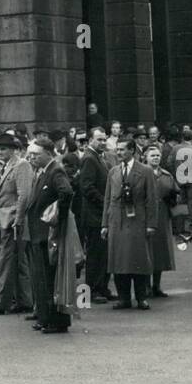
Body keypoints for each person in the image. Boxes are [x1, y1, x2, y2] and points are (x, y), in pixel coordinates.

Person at [23, 134, 74, 334]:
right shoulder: (44, 170)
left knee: (50, 278)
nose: (31, 158)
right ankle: (45, 317)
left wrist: (56, 218)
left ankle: (56, 321)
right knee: (42, 278)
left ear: (47, 153)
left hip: (47, 234)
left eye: (35, 154)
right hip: (39, 233)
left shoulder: (55, 171)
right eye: (30, 154)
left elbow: (67, 193)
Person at [0, 131, 32, 316]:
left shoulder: (21, 165)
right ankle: (25, 300)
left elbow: (24, 195)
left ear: (14, 149)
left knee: (6, 261)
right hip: (7, 218)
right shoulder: (7, 166)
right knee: (19, 261)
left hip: (13, 220)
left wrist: (17, 220)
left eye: (3, 149)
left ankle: (0, 302)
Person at [101, 137, 155, 310]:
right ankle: (123, 298)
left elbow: (151, 200)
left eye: (122, 149)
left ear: (132, 150)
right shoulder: (113, 172)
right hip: (117, 220)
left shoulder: (145, 171)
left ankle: (141, 297)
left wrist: (151, 224)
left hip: (137, 219)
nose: (119, 153)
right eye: (117, 150)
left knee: (138, 259)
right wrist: (105, 224)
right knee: (118, 260)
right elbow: (108, 199)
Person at [77, 126, 114, 301]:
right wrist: (105, 203)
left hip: (99, 214)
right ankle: (92, 290)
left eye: (104, 139)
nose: (103, 142)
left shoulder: (99, 157)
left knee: (103, 253)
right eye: (99, 139)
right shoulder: (89, 159)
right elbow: (87, 187)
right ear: (90, 140)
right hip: (94, 215)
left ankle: (102, 287)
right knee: (95, 254)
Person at [144, 143, 178, 298]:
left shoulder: (166, 175)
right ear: (146, 157)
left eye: (158, 155)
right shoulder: (142, 173)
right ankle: (145, 286)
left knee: (160, 251)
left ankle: (156, 285)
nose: (156, 158)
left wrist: (173, 197)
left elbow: (177, 192)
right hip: (145, 215)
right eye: (152, 155)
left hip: (163, 215)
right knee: (146, 251)